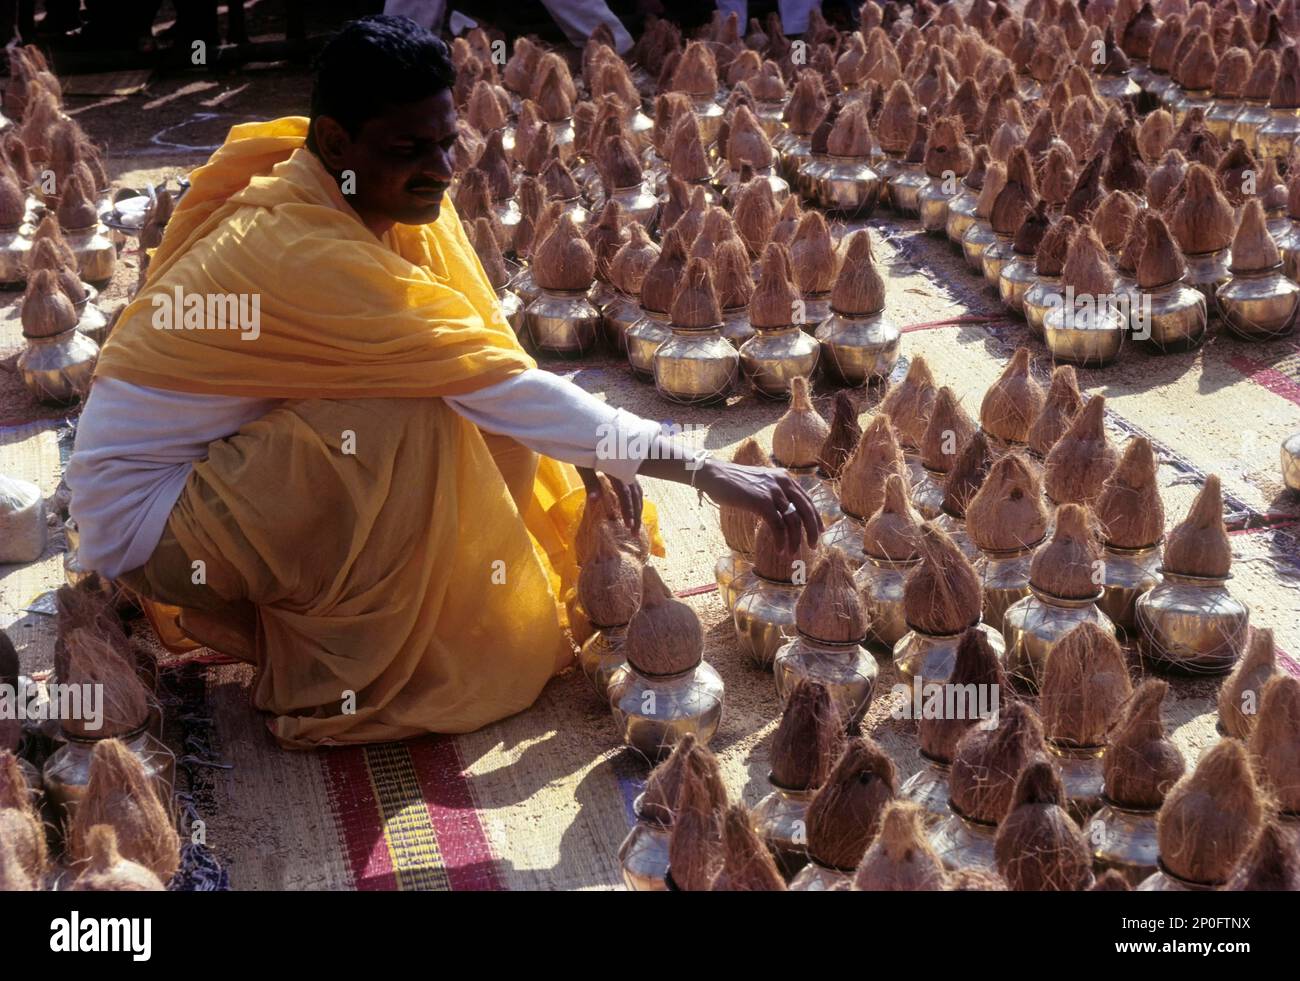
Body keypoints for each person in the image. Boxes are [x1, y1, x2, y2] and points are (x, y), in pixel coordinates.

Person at [67, 15, 819, 749]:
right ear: (335, 142)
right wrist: (704, 467)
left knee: (442, 385)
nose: (442, 170)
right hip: (151, 523)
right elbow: (491, 384)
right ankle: (342, 673)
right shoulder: (300, 248)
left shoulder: (338, 194)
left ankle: (386, 610)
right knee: (413, 413)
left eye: (446, 142)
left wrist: (595, 443)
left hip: (209, 475)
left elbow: (488, 362)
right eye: (409, 148)